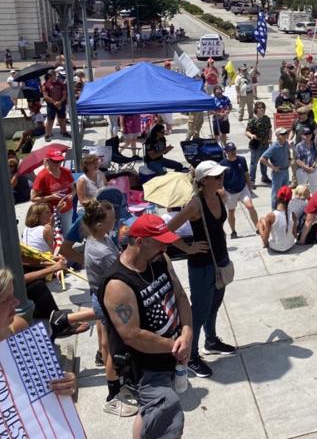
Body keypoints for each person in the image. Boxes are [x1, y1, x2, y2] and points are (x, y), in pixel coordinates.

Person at [99, 214, 194, 439]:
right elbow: (132, 335)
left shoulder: (160, 259)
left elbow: (180, 295)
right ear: (141, 242)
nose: (165, 247)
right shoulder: (118, 284)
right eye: (160, 243)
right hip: (144, 367)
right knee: (168, 414)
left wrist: (187, 332)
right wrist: (175, 346)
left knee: (150, 413)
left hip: (171, 353)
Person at [163, 163, 238, 379]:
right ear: (204, 180)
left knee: (215, 304)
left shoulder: (219, 195)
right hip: (202, 266)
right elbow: (166, 231)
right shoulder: (195, 205)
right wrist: (187, 248)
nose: (221, 178)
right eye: (216, 176)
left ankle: (211, 341)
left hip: (220, 261)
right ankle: (191, 356)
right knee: (198, 312)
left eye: (221, 174)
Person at [0, 261, 78, 421]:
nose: (16, 303)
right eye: (5, 300)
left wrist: (66, 383)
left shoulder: (18, 328)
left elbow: (46, 384)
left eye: (13, 296)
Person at [80, 200, 139, 417]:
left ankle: (118, 381)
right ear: (99, 225)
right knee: (114, 350)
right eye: (112, 218)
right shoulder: (101, 251)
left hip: (100, 295)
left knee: (106, 343)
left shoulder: (100, 238)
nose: (115, 220)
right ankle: (113, 395)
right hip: (106, 300)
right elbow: (122, 269)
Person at [30, 149, 74, 237]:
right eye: (55, 161)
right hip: (50, 212)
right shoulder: (42, 176)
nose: (58, 164)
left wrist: (72, 196)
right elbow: (33, 198)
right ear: (48, 161)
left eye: (60, 161)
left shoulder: (66, 171)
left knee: (67, 234)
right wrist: (51, 197)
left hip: (66, 209)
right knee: (52, 236)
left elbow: (73, 189)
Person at [219, 142, 257, 238]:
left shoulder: (242, 160)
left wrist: (249, 187)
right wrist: (221, 191)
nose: (233, 152)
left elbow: (246, 174)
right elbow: (220, 180)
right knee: (231, 211)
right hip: (229, 192)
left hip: (243, 189)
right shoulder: (222, 164)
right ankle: (233, 231)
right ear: (226, 152)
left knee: (250, 206)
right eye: (231, 151)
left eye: (234, 150)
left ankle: (258, 227)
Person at [257, 186, 298, 252]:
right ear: (289, 200)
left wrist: (266, 243)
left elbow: (265, 238)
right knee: (263, 219)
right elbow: (295, 234)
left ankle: (259, 227)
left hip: (275, 247)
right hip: (290, 246)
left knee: (260, 222)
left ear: (277, 197)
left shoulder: (271, 215)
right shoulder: (293, 215)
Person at [260, 127, 292, 201]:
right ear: (278, 136)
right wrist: (273, 167)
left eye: (286, 133)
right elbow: (262, 159)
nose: (286, 135)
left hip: (286, 171)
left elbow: (288, 151)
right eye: (283, 134)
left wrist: (289, 159)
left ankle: (284, 206)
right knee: (276, 193)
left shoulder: (286, 143)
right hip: (278, 173)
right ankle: (274, 207)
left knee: (285, 192)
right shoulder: (274, 147)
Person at [246, 102, 273, 187]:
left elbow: (269, 129)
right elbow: (247, 131)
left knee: (264, 162)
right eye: (260, 108)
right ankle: (252, 180)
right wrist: (251, 136)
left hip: (265, 145)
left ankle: (264, 177)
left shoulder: (266, 119)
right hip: (256, 145)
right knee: (254, 164)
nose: (262, 109)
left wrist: (270, 139)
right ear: (256, 109)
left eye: (263, 107)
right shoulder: (252, 120)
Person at [42, 69, 71, 141]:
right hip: (51, 105)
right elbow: (45, 96)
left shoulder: (61, 84)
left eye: (51, 75)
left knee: (62, 118)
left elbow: (64, 94)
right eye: (49, 75)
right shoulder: (46, 84)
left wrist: (60, 102)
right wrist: (54, 102)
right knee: (50, 119)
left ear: (55, 75)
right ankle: (47, 134)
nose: (50, 76)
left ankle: (64, 132)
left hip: (61, 104)